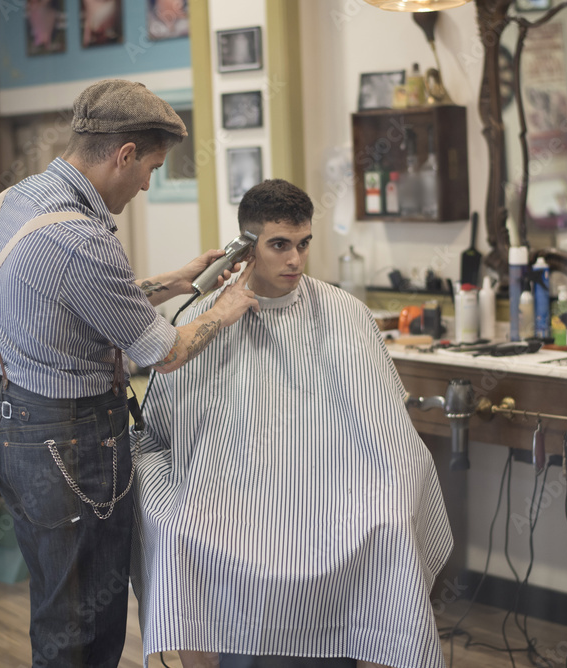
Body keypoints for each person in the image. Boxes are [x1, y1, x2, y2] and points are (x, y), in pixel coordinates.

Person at [0, 79, 258, 668]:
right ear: (124, 154)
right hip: (69, 444)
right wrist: (227, 308)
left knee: (56, 604)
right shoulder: (80, 238)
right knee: (85, 628)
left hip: (14, 424)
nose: (148, 183)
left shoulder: (15, 203)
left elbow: (73, 301)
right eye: (150, 167)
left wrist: (175, 281)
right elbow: (165, 353)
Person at [131, 179, 454, 668]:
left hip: (334, 483)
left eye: (303, 244)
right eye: (279, 245)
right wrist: (220, 312)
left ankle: (373, 646)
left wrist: (387, 483)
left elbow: (385, 431)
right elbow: (166, 426)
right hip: (229, 487)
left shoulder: (343, 313)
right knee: (179, 531)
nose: (295, 261)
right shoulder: (205, 317)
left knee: (390, 521)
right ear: (245, 247)